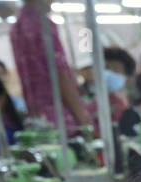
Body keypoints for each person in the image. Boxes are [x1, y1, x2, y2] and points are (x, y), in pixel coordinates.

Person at [10, 0, 92, 132]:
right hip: (59, 118)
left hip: (36, 119)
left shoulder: (17, 26)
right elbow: (61, 75)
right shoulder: (43, 24)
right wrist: (83, 119)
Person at [103, 47, 136, 122]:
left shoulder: (134, 105)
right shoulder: (94, 104)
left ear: (128, 77)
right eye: (106, 68)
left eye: (115, 69)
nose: (109, 73)